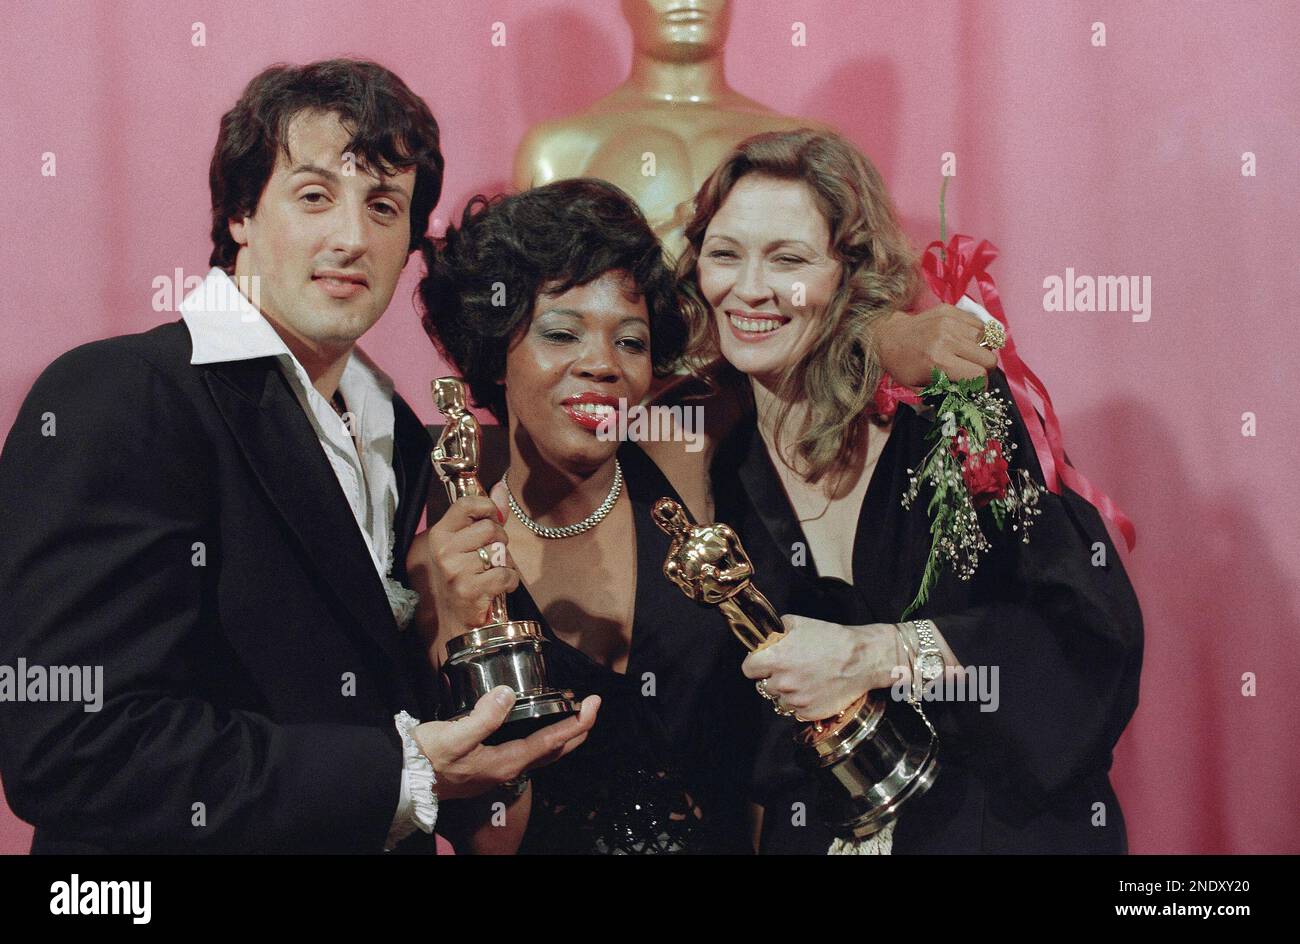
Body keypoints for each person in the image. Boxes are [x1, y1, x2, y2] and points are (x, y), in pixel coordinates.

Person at [0, 58, 595, 855]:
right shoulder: (119, 395)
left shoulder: (400, 432)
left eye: (384, 206)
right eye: (315, 196)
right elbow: (70, 747)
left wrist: (449, 656)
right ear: (243, 212)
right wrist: (401, 772)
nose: (352, 237)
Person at [408, 174, 989, 854]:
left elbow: (788, 333)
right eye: (562, 334)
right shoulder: (443, 564)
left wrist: (892, 335)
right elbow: (491, 840)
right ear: (494, 355)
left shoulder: (686, 452)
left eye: (629, 341)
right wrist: (462, 626)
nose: (601, 364)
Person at [677, 128, 1144, 853]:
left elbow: (1085, 642)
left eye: (789, 259)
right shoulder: (710, 450)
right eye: (725, 252)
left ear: (848, 272)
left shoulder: (954, 414)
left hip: (1002, 831)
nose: (750, 288)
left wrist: (877, 653)